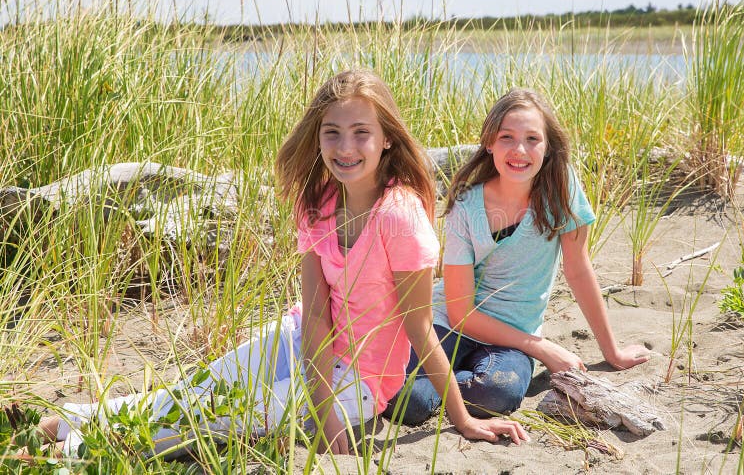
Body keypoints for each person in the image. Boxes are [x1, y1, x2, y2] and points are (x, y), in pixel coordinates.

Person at [33, 70, 527, 458]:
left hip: (363, 378)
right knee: (197, 391)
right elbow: (314, 316)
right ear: (318, 139)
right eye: (332, 133)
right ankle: (71, 419)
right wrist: (318, 398)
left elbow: (420, 329)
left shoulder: (400, 219)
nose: (345, 147)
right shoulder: (317, 201)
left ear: (387, 140)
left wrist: (462, 420)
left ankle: (74, 452)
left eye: (361, 133)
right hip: (302, 342)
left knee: (222, 418)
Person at [391, 88, 651, 425]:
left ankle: (444, 390)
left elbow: (578, 270)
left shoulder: (561, 189)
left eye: (532, 139)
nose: (519, 150)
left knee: (500, 392)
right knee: (405, 399)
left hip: (511, 336)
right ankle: (442, 390)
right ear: (489, 143)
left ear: (547, 146)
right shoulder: (465, 205)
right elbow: (460, 313)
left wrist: (612, 352)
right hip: (451, 321)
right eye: (507, 137)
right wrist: (542, 348)